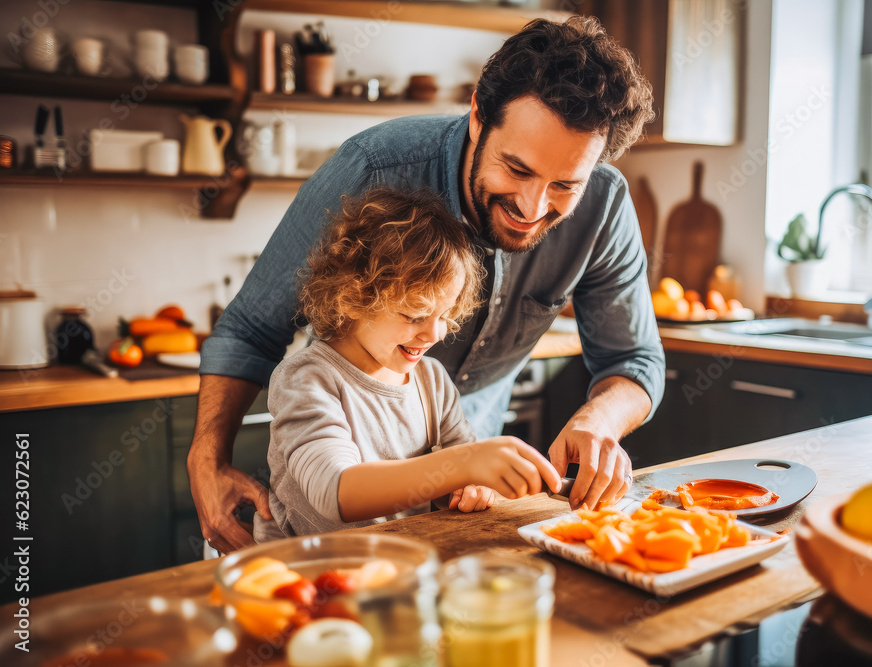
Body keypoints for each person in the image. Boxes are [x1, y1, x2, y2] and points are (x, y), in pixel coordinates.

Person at [190, 16, 666, 554]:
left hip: (447, 492)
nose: (533, 209)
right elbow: (252, 329)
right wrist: (208, 460)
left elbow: (635, 361)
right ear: (478, 119)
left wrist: (596, 424)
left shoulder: (604, 204)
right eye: (516, 169)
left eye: (564, 185)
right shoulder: (371, 170)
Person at [255, 188, 561, 541]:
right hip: (300, 572)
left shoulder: (431, 381)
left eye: (445, 314)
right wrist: (466, 464)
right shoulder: (307, 380)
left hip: (393, 566)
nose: (435, 333)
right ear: (354, 297)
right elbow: (334, 491)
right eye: (415, 315)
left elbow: (455, 476)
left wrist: (472, 486)